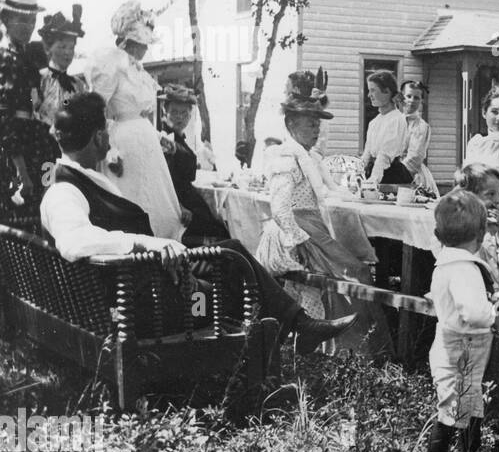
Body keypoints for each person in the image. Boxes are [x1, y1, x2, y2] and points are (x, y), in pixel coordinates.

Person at [39, 92, 354, 352]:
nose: (109, 136)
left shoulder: (80, 179)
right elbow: (74, 241)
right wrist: (146, 242)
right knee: (230, 286)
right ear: (97, 137)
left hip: (144, 294)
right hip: (152, 312)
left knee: (230, 253)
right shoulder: (64, 191)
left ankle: (297, 325)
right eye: (106, 131)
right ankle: (285, 335)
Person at [258, 71, 393, 358]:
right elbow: (280, 208)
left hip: (311, 225)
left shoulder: (310, 158)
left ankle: (343, 350)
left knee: (352, 270)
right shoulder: (286, 158)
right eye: (310, 123)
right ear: (291, 123)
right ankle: (341, 349)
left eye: (318, 123)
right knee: (350, 272)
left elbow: (330, 192)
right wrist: (298, 242)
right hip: (295, 230)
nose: (316, 129)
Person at [84, 1, 184, 241]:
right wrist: (109, 149)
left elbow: (141, 114)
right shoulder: (112, 64)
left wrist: (158, 136)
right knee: (131, 203)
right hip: (123, 144)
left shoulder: (138, 70)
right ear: (129, 41)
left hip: (146, 145)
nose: (145, 50)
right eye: (141, 45)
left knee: (160, 210)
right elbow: (98, 110)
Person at [425, 190, 499, 452]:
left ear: (438, 234)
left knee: (464, 403)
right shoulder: (464, 268)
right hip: (465, 345)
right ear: (481, 234)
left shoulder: (445, 260)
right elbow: (473, 312)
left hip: (449, 341)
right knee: (458, 407)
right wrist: (492, 315)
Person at [0, 0, 60, 209]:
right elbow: (3, 118)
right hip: (18, 156)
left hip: (37, 146)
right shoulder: (5, 58)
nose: (28, 26)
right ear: (5, 18)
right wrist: (20, 171)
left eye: (31, 20)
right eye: (21, 20)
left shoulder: (27, 55)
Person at [159, 83, 230, 246]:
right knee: (219, 232)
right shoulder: (165, 140)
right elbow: (164, 178)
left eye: (184, 113)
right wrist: (180, 206)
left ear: (190, 116)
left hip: (189, 198)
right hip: (179, 203)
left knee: (222, 225)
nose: (179, 117)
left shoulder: (180, 139)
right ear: (165, 111)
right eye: (174, 112)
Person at [454, 162, 499, 302]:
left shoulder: (496, 225)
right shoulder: (460, 224)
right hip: (467, 282)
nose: (497, 200)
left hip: (493, 286)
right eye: (491, 194)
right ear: (469, 196)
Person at [37, 5, 89, 133]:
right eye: (62, 47)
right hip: (42, 142)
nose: (67, 52)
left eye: (71, 48)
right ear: (48, 48)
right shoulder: (38, 79)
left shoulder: (79, 85)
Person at [359, 71, 410, 184]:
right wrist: (356, 173)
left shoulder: (397, 119)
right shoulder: (374, 122)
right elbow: (367, 154)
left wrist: (374, 179)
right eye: (369, 90)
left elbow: (385, 155)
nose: (369, 95)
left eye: (373, 90)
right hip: (373, 172)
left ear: (386, 92)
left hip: (391, 175)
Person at [399, 79, 439, 193]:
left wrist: (396, 174)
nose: (411, 101)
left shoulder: (421, 126)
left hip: (410, 175)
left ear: (421, 100)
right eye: (408, 96)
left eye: (416, 98)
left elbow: (415, 158)